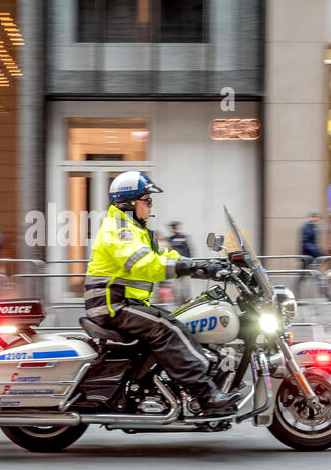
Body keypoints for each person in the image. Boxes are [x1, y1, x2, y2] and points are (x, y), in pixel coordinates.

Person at [83, 170, 238, 415]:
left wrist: (200, 266)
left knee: (178, 320)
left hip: (127, 303)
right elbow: (144, 264)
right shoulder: (120, 230)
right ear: (129, 203)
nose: (151, 206)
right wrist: (190, 268)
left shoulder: (134, 228)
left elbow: (164, 257)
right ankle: (205, 394)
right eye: (147, 200)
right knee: (168, 329)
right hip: (112, 305)